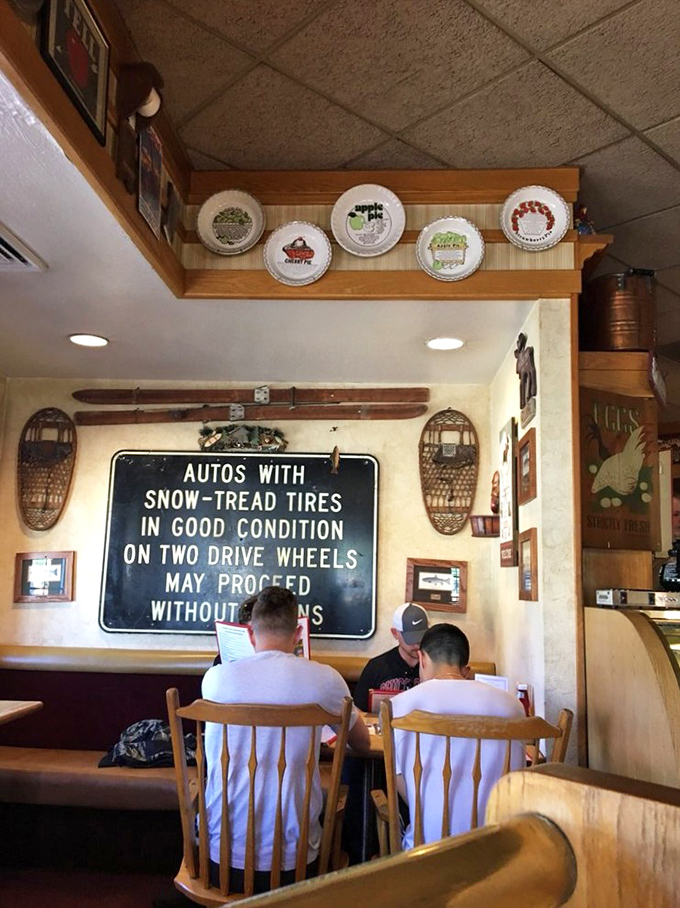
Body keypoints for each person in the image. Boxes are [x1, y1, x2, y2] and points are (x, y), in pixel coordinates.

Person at [202, 585, 370, 893]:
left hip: (218, 860)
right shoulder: (325, 679)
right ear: (297, 635)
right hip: (295, 867)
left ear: (250, 634)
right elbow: (362, 744)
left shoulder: (215, 679)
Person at [391, 623, 525, 849]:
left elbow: (400, 781)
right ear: (466, 668)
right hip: (496, 848)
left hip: (425, 852)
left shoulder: (401, 706)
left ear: (422, 659)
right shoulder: (512, 706)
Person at [353, 603, 429, 711]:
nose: (417, 645)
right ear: (395, 633)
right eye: (411, 639)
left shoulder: (435, 665)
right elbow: (358, 710)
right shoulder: (376, 667)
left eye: (421, 637)